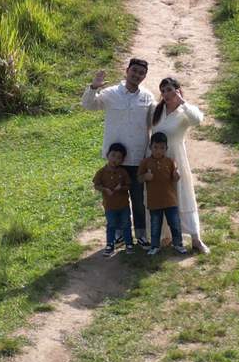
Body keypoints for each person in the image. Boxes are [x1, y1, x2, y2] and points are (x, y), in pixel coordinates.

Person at [82, 58, 154, 246]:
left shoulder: (147, 96)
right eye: (134, 70)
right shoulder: (111, 93)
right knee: (116, 201)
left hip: (138, 157)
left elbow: (154, 122)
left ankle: (141, 235)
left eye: (141, 73)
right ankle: (120, 234)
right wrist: (93, 87)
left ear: (144, 76)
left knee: (139, 200)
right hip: (116, 160)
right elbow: (89, 105)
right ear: (127, 70)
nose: (137, 75)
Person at [151, 77, 209, 253]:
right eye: (163, 91)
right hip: (156, 160)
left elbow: (198, 120)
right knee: (159, 196)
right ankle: (165, 235)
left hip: (176, 158)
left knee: (183, 196)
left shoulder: (185, 112)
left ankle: (195, 239)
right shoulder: (157, 110)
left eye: (169, 90)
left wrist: (182, 101)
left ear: (178, 90)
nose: (166, 94)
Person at [138, 131, 185, 255]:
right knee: (155, 225)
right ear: (150, 147)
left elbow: (176, 177)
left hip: (170, 200)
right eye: (155, 147)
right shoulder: (145, 162)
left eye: (162, 148)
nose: (158, 151)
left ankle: (178, 244)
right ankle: (155, 246)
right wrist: (145, 177)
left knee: (175, 223)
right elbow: (139, 178)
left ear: (166, 148)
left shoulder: (170, 161)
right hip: (154, 201)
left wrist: (177, 175)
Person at [93, 142, 132, 257]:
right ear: (107, 155)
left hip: (123, 205)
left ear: (122, 160)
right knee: (111, 225)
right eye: (113, 155)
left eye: (119, 157)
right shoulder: (101, 172)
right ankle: (110, 244)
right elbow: (96, 185)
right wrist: (104, 189)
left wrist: (122, 188)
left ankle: (129, 244)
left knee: (126, 224)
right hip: (109, 206)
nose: (115, 159)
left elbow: (129, 185)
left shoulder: (123, 172)